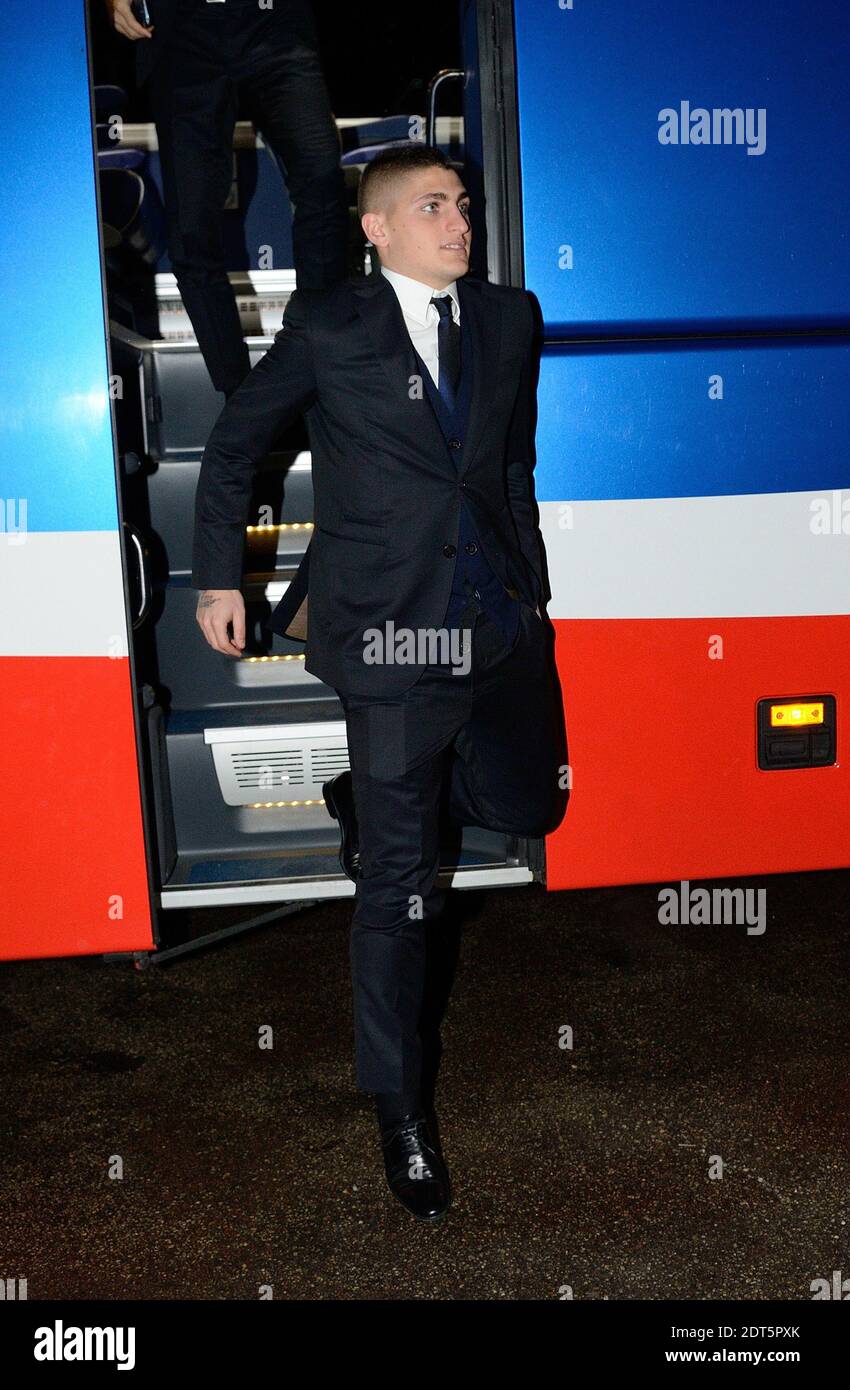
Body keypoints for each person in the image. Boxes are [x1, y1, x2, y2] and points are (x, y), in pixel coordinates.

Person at [191, 143, 568, 1222]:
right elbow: (233, 448)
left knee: (532, 801)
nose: (459, 222)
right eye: (433, 207)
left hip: (494, 625)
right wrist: (220, 576)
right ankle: (399, 1111)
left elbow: (507, 463)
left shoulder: (508, 316)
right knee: (400, 890)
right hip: (392, 642)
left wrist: (529, 587)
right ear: (378, 229)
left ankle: (367, 792)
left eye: (461, 204)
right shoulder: (329, 326)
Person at [104, 0, 350, 398]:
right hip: (184, 26)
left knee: (322, 183)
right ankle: (243, 402)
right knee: (191, 230)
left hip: (274, 22)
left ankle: (320, 369)